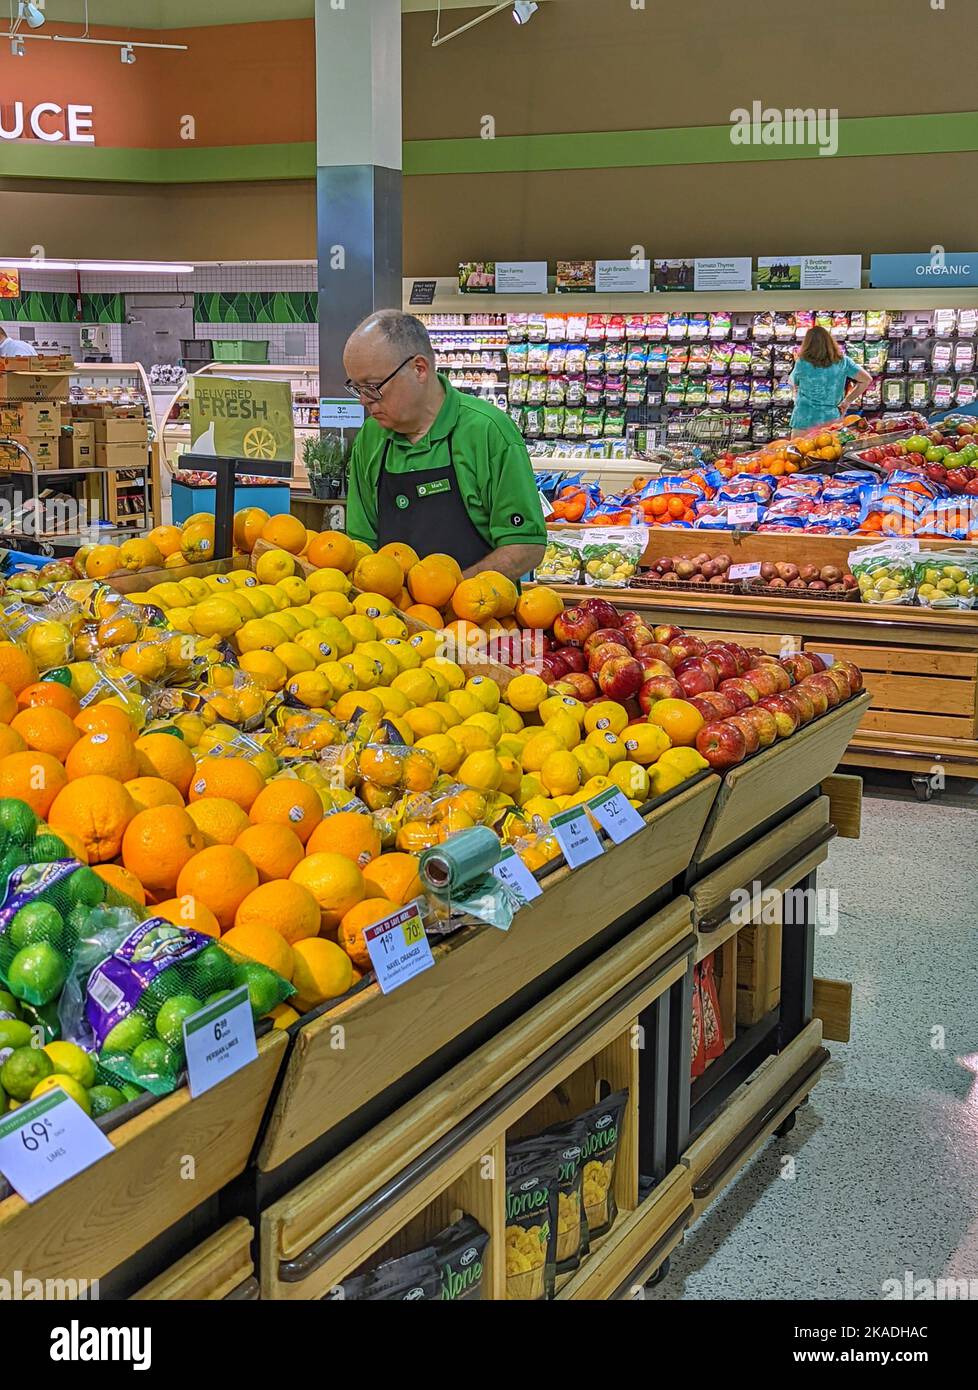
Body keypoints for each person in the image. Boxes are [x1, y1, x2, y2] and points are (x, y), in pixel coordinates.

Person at [343, 310, 546, 579]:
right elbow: (361, 543)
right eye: (357, 388)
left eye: (372, 386)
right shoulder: (371, 437)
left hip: (477, 614)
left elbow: (526, 546)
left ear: (419, 369)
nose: (364, 401)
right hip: (391, 617)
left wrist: (453, 593)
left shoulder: (488, 431)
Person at [789, 325, 871, 431]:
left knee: (800, 447)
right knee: (831, 447)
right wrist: (847, 401)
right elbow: (866, 379)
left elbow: (793, 383)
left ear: (807, 343)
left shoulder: (802, 363)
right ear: (830, 341)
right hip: (830, 419)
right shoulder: (843, 361)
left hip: (803, 419)